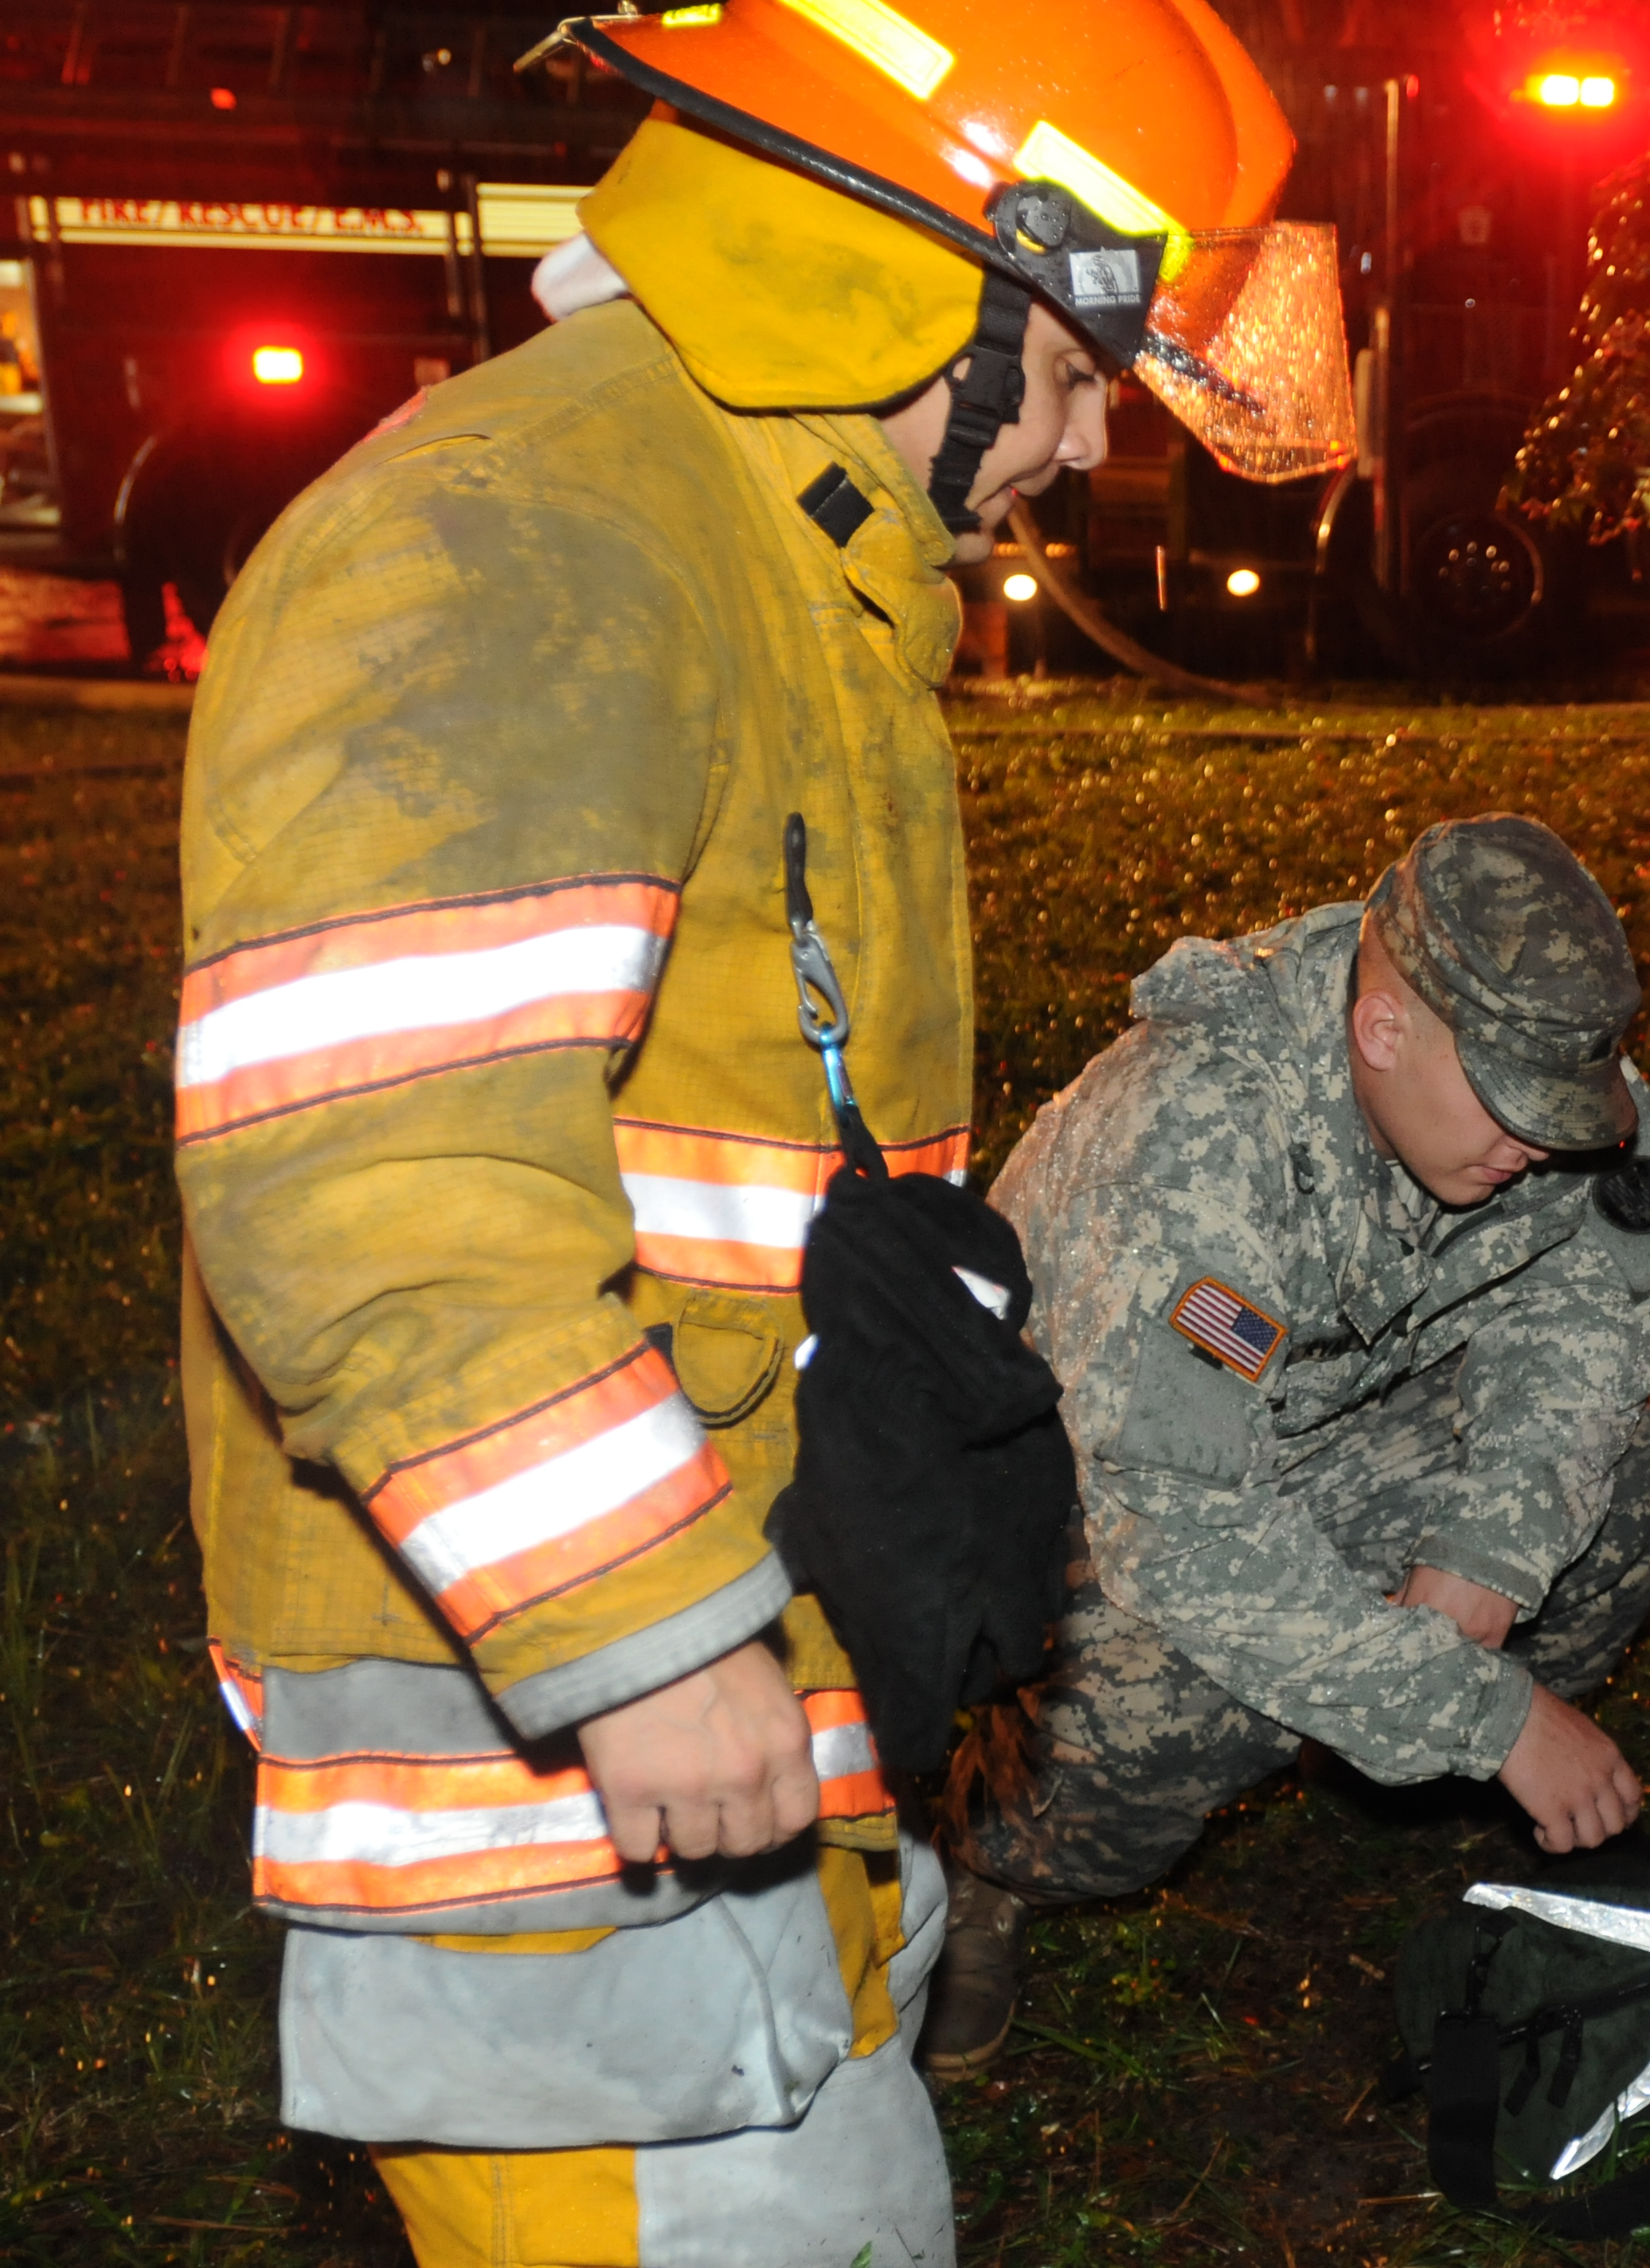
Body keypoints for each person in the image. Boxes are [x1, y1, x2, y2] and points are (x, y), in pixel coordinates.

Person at [171, 2, 1326, 2257]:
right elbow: (377, 1160)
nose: (1087, 446)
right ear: (927, 277)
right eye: (1088, 365)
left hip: (744, 1725)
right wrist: (646, 1629)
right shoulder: (533, 537)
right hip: (572, 1789)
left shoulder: (762, 556)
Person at [923, 815, 1650, 2074]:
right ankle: (989, 1859)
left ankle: (1414, 1748)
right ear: (1381, 1031)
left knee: (1632, 1479)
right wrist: (1483, 1708)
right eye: (1514, 1112)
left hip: (1306, 1439)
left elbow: (1597, 1302)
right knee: (1162, 1697)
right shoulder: (1192, 1143)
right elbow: (1175, 1525)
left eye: (1566, 1111)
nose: (1540, 1146)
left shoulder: (1524, 1081)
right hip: (1088, 1491)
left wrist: (1491, 1551)